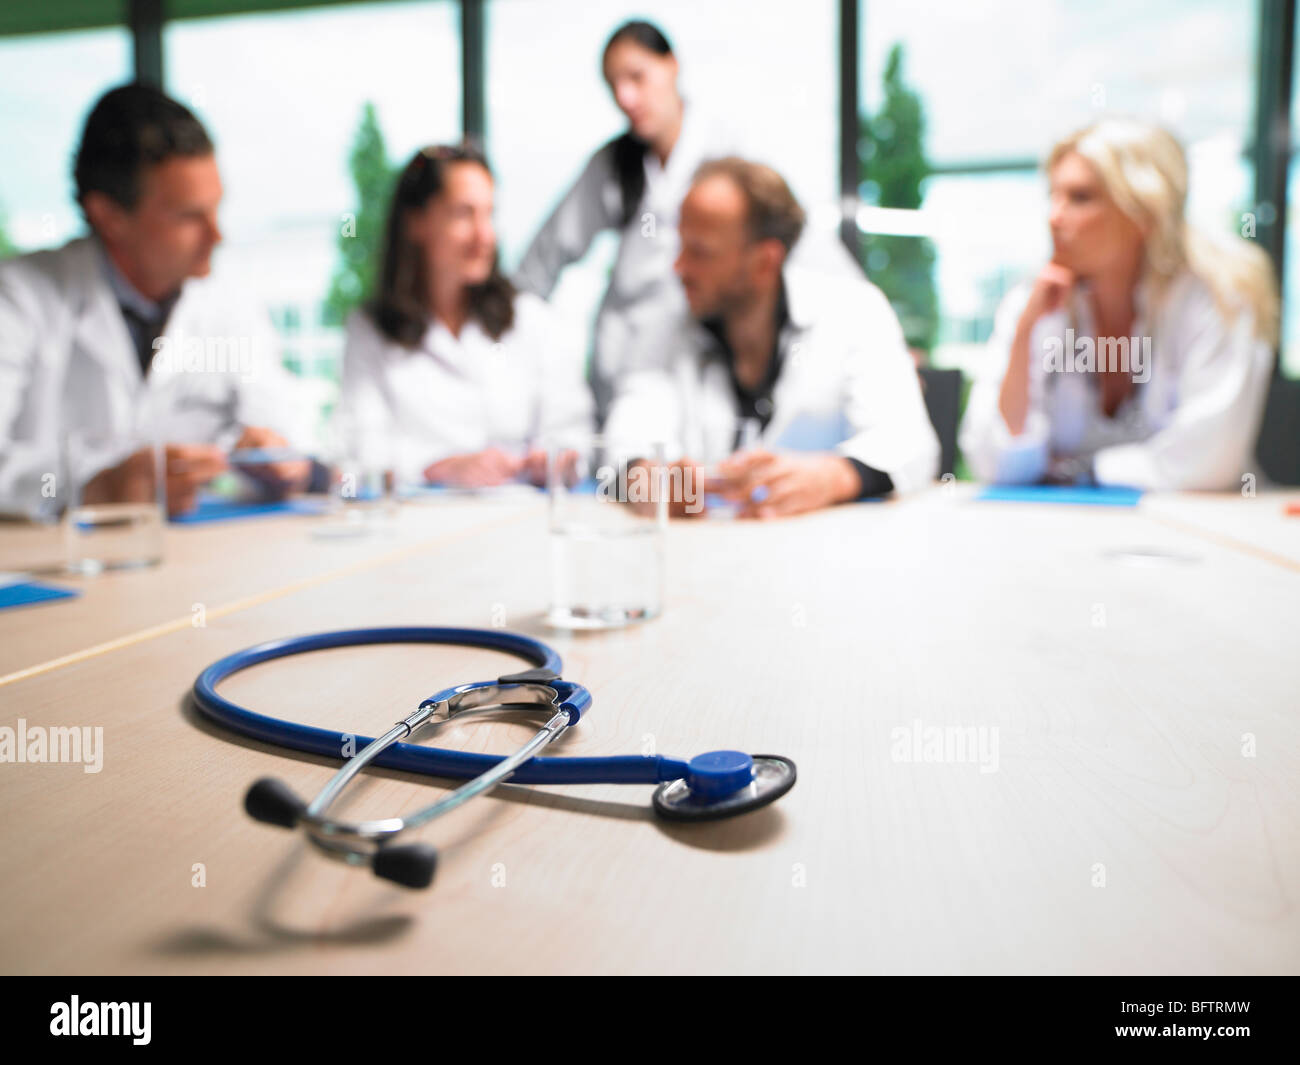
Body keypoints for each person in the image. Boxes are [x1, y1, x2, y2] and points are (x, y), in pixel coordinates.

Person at [0, 84, 312, 519]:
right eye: (188, 216)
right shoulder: (19, 298)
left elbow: (283, 424)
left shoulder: (228, 298)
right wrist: (95, 485)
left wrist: (274, 455)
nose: (216, 236)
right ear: (110, 216)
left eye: (216, 210)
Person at [604, 157, 940, 519]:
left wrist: (836, 476)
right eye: (681, 245)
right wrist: (647, 478)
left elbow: (910, 444)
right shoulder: (665, 323)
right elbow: (620, 445)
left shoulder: (854, 310)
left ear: (765, 262)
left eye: (700, 252)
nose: (679, 267)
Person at [960, 118, 1279, 490]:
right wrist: (1023, 336)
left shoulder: (1220, 294)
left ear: (1144, 212)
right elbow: (993, 463)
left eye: (1080, 198)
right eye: (1053, 196)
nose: (1054, 218)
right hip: (1059, 529)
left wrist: (1078, 470)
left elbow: (1206, 462)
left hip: (1200, 531)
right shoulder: (1035, 301)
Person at [341, 144, 594, 488]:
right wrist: (437, 469)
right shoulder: (371, 330)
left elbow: (573, 431)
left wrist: (557, 458)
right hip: (416, 525)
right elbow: (359, 452)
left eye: (489, 214)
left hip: (519, 516)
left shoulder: (531, 321)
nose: (484, 235)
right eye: (463, 214)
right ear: (415, 222)